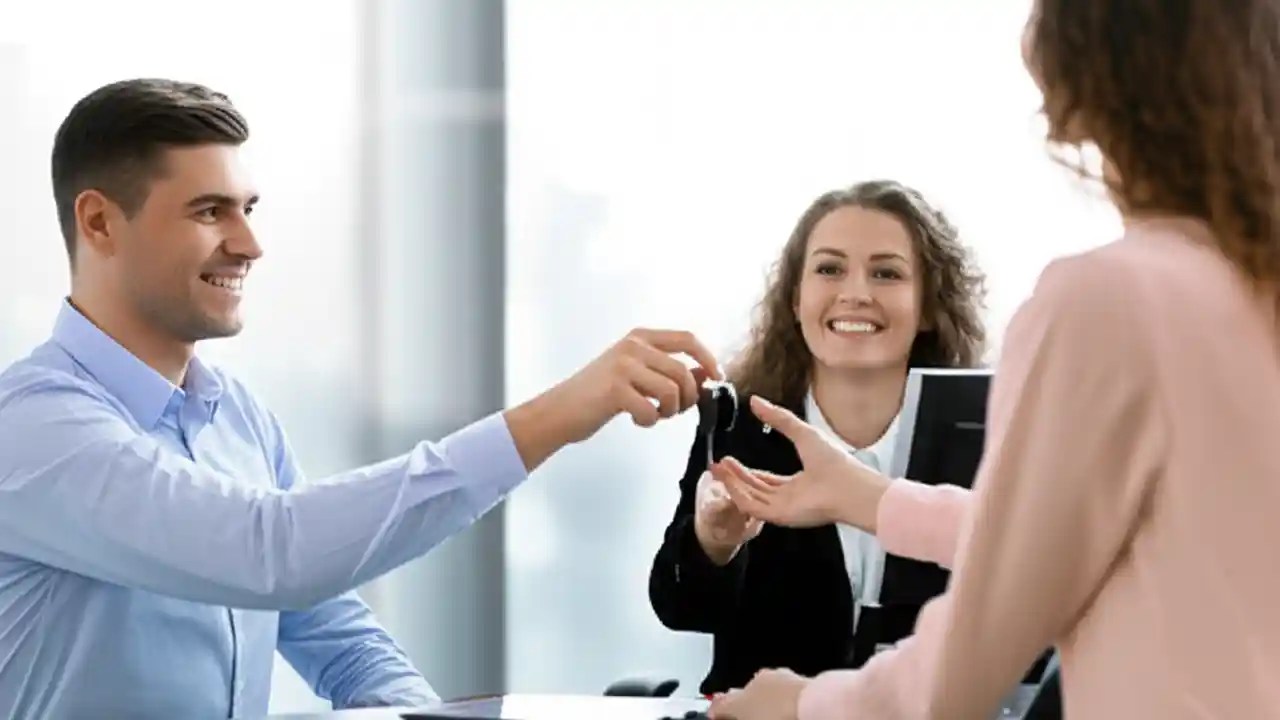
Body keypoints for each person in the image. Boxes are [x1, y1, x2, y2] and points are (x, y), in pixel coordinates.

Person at [0, 78, 721, 720]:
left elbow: (331, 633)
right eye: (209, 211)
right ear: (99, 223)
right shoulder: (34, 428)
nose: (250, 243)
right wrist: (562, 412)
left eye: (249, 207)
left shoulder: (239, 417)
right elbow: (275, 553)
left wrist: (418, 714)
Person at [708, 0, 1280, 717]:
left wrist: (801, 706)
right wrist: (874, 499)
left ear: (1076, 95)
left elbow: (968, 658)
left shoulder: (1111, 301)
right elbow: (1113, 540)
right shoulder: (1249, 285)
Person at [647, 179, 987, 694]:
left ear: (929, 306)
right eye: (829, 269)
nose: (855, 293)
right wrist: (713, 542)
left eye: (886, 273)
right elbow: (681, 607)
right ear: (794, 299)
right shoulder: (740, 420)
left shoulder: (984, 432)